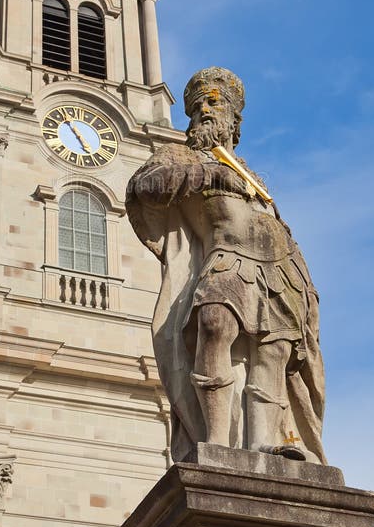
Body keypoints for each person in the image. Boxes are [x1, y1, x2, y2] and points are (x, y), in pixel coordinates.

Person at [126, 67, 326, 464]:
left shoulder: (249, 171)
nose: (203, 108)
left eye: (213, 103)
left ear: (234, 121)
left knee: (273, 355)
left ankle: (261, 443)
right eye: (197, 105)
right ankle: (216, 439)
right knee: (214, 324)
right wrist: (206, 175)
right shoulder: (180, 155)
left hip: (281, 270)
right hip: (227, 261)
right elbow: (143, 187)